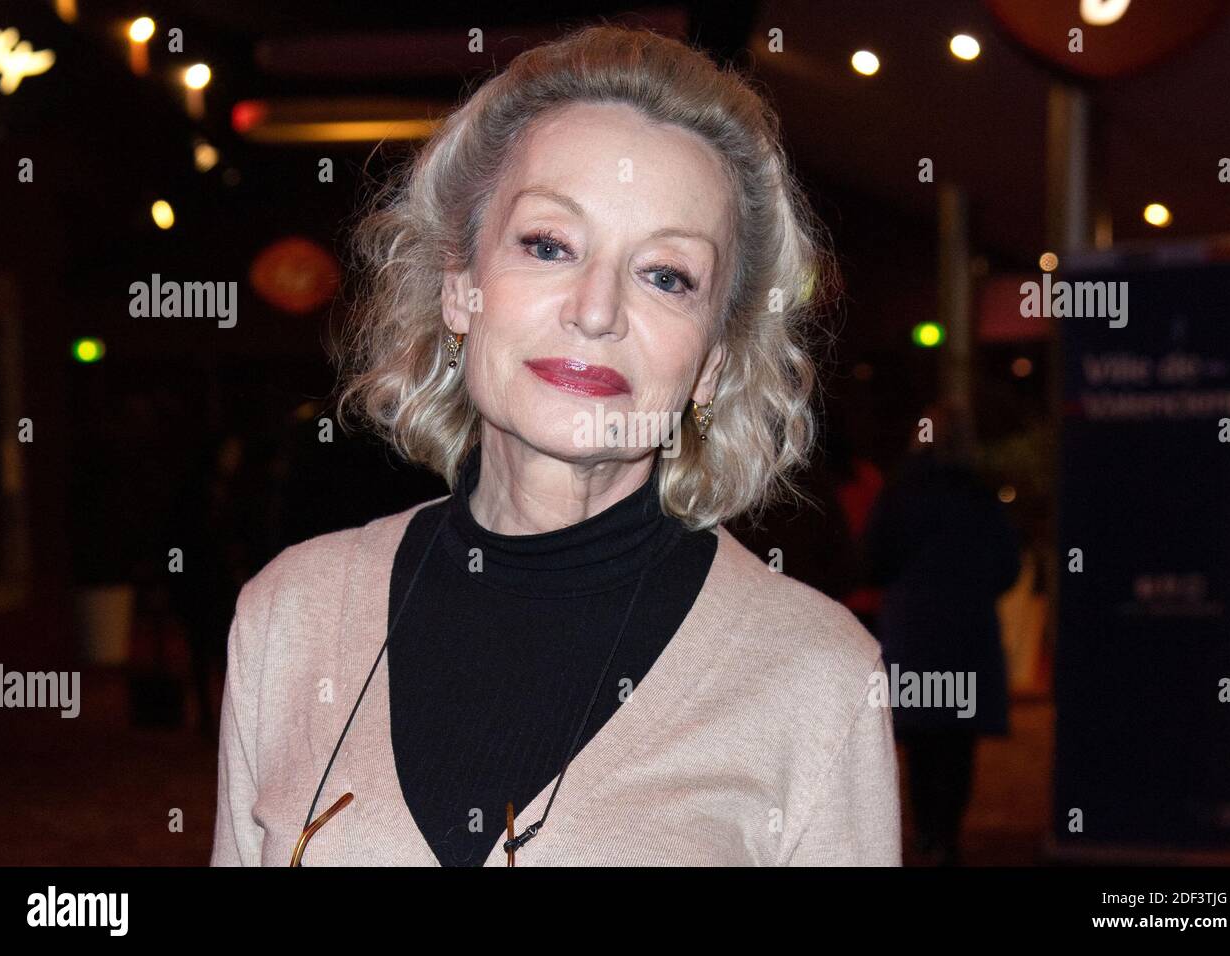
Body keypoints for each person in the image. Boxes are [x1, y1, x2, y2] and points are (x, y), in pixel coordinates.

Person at [211, 25, 900, 867]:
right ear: (460, 288)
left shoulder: (817, 676)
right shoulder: (291, 614)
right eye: (548, 245)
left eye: (666, 275)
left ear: (714, 362)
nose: (597, 307)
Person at [863, 403, 1021, 866]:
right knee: (957, 743)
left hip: (915, 634)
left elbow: (873, 559)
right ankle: (946, 836)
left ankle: (926, 833)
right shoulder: (979, 495)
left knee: (920, 742)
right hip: (967, 635)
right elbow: (1006, 566)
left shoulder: (900, 493)